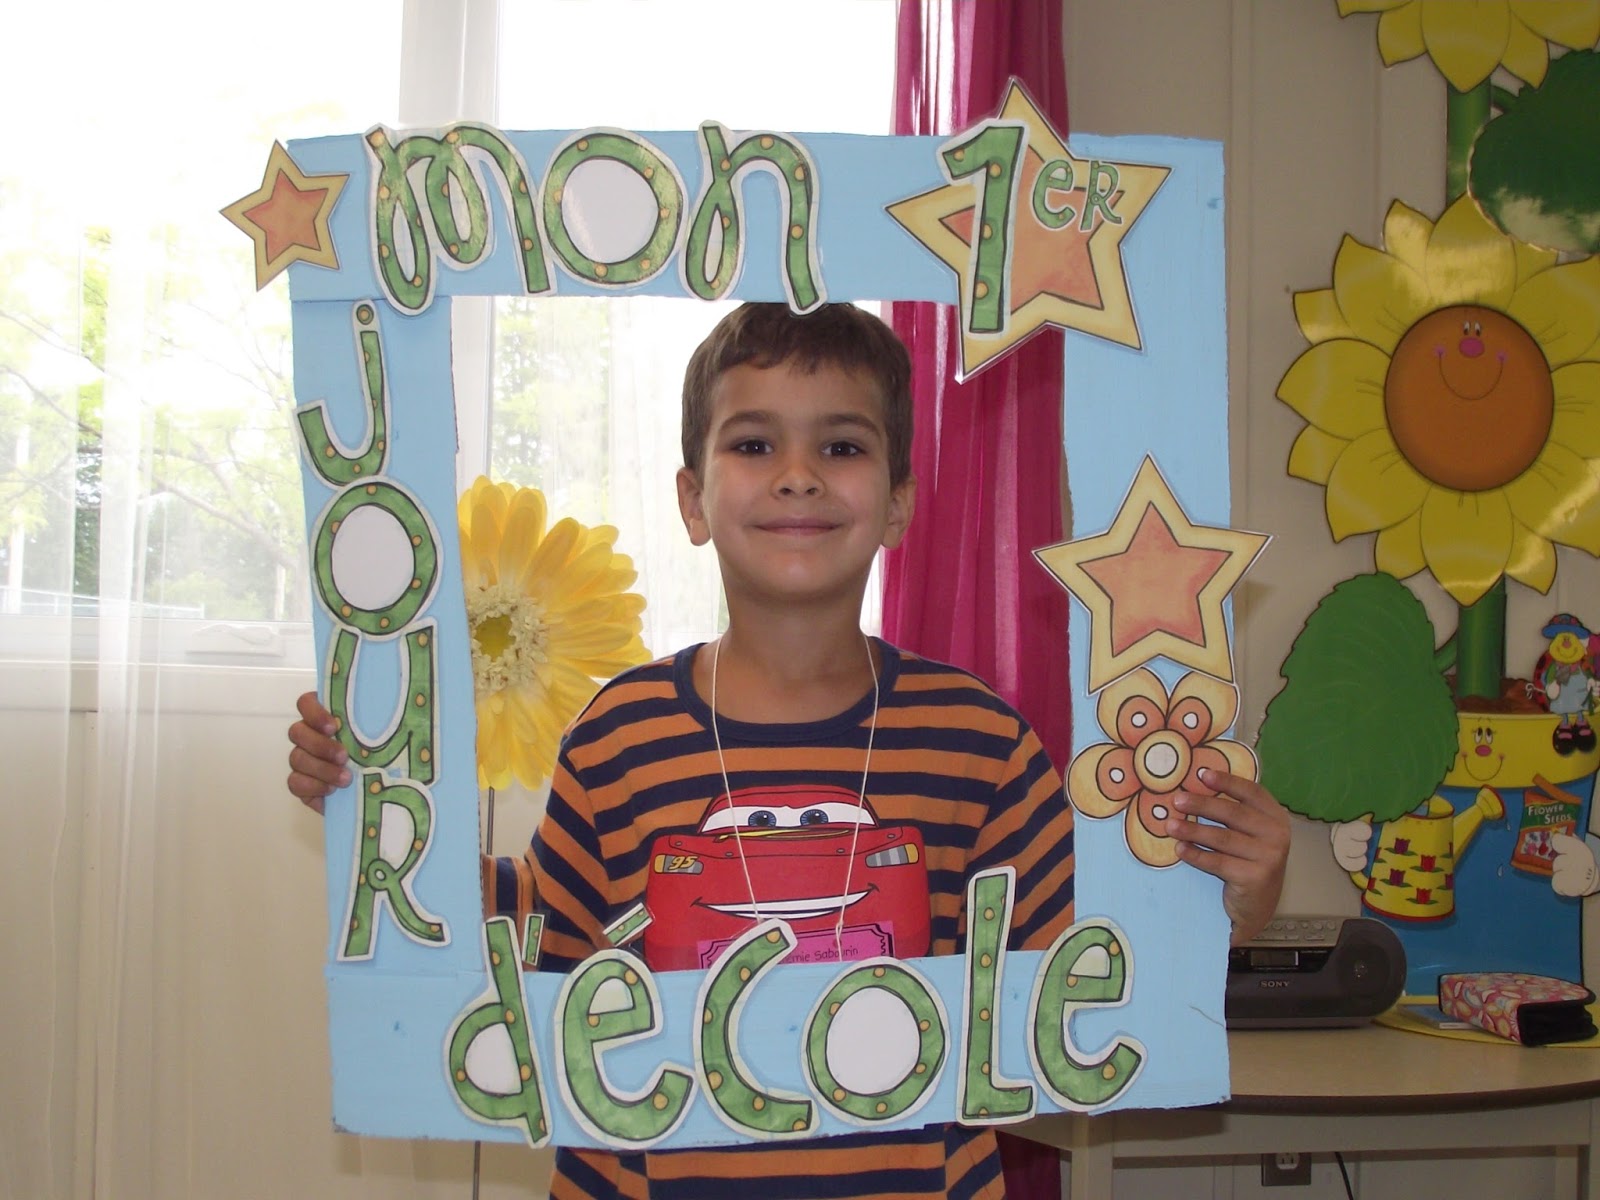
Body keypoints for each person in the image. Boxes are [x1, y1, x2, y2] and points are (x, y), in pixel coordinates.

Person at [288, 302, 1290, 1200]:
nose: (799, 475)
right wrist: (377, 819)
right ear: (692, 498)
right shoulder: (621, 733)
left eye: (842, 447)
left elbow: (1090, 971)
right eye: (755, 443)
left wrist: (1232, 895)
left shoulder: (977, 743)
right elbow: (542, 941)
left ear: (899, 500)